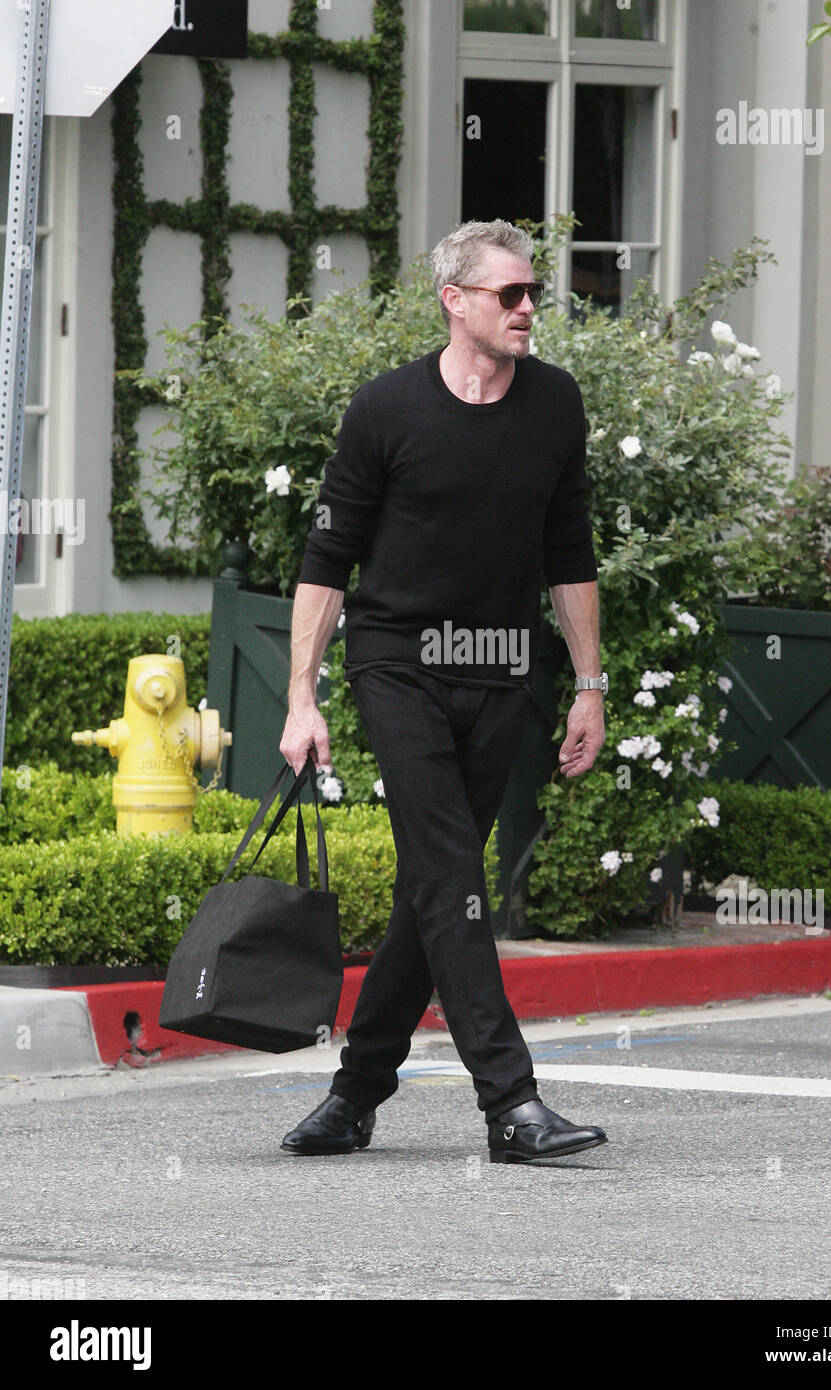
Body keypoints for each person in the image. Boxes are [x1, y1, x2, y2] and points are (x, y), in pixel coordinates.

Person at [278, 218, 609, 1164]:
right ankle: (511, 1101)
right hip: (398, 666)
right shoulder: (386, 409)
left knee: (435, 886)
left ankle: (351, 1098)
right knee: (453, 871)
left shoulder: (554, 404)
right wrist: (303, 697)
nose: (529, 308)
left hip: (502, 666)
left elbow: (569, 551)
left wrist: (588, 687)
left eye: (533, 292)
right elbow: (327, 560)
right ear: (453, 301)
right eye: (509, 294)